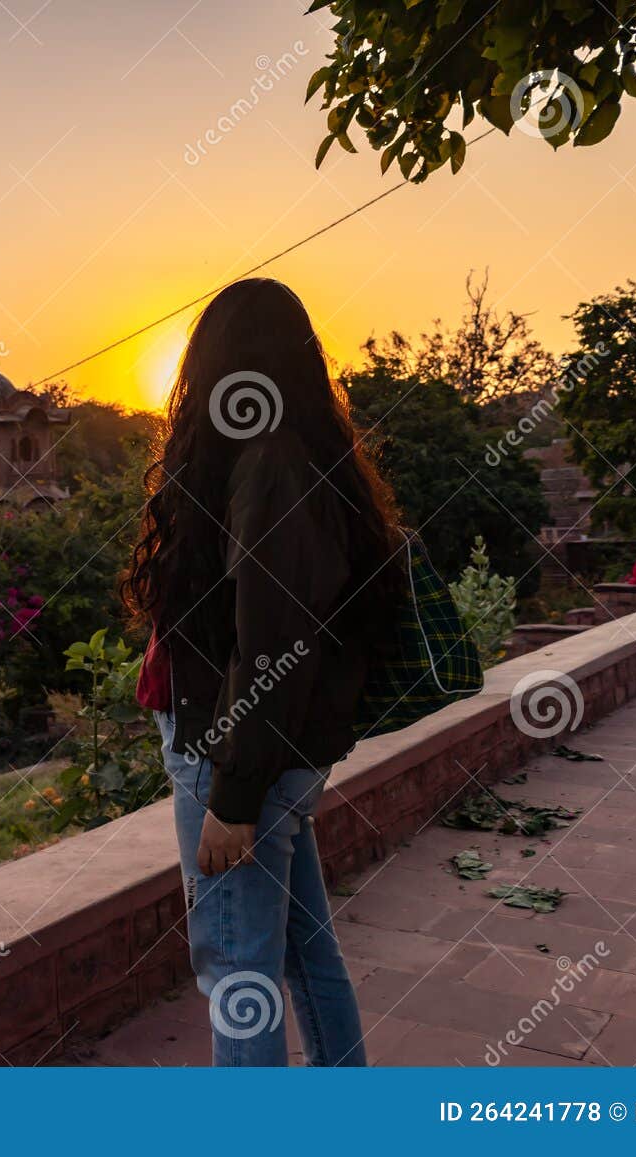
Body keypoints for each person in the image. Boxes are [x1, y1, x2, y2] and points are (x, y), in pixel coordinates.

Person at [123, 278, 403, 1066]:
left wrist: (233, 796)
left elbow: (276, 642)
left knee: (237, 970)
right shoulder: (292, 454)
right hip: (265, 752)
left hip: (239, 754)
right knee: (301, 956)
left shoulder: (270, 465)